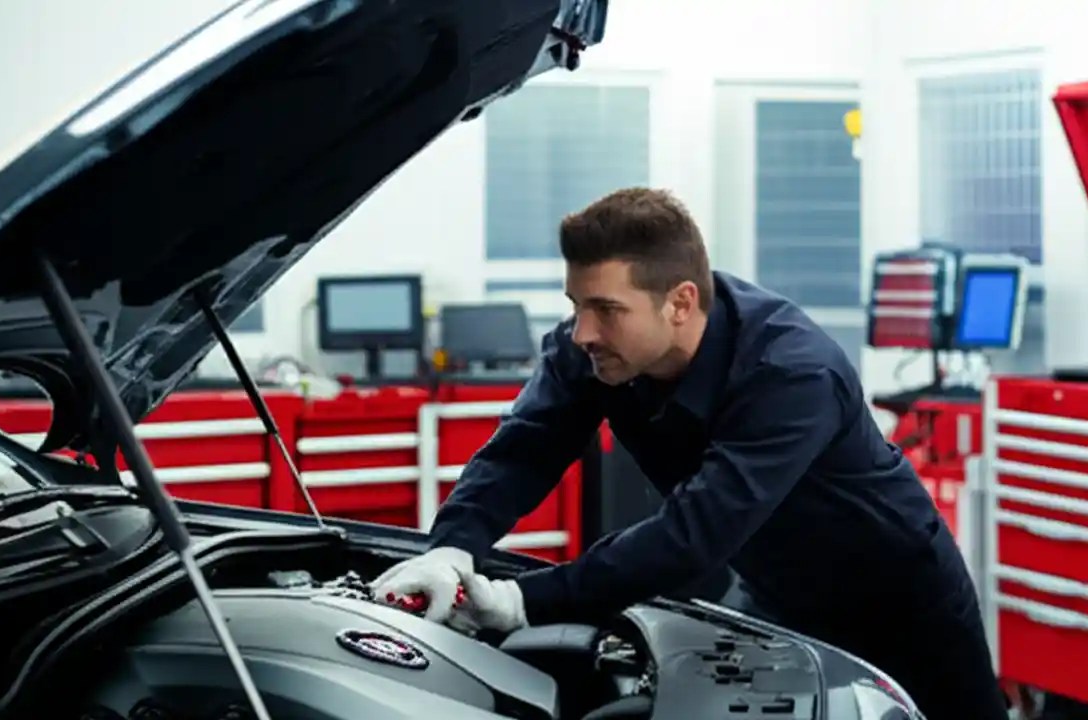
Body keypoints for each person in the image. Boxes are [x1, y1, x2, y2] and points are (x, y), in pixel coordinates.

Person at [370, 188, 1008, 719]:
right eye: (576, 305)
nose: (583, 330)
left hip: (899, 602)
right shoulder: (594, 349)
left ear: (680, 303)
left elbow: (691, 535)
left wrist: (521, 601)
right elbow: (524, 450)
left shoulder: (791, 374)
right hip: (773, 590)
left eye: (606, 309)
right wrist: (452, 548)